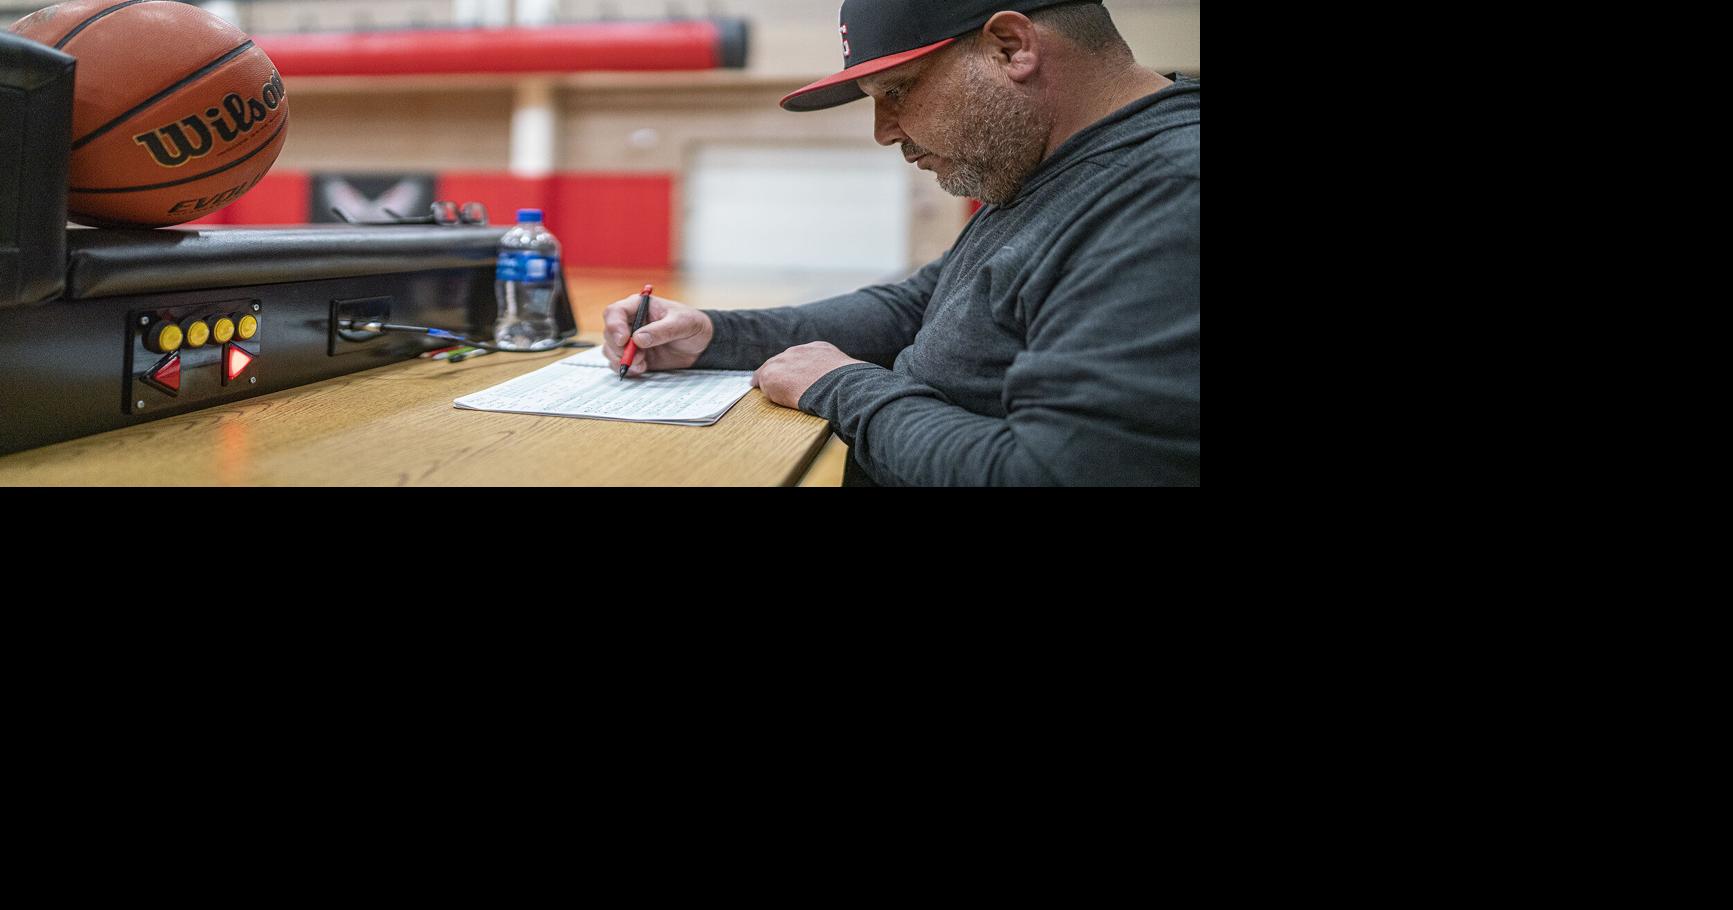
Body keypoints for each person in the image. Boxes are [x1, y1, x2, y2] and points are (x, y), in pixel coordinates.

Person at [602, 0, 1199, 486]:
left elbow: (1054, 472)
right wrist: (716, 334)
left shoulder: (1171, 192)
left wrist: (843, 385)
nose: (884, 131)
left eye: (899, 90)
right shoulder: (1053, 172)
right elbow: (919, 305)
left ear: (1011, 47)